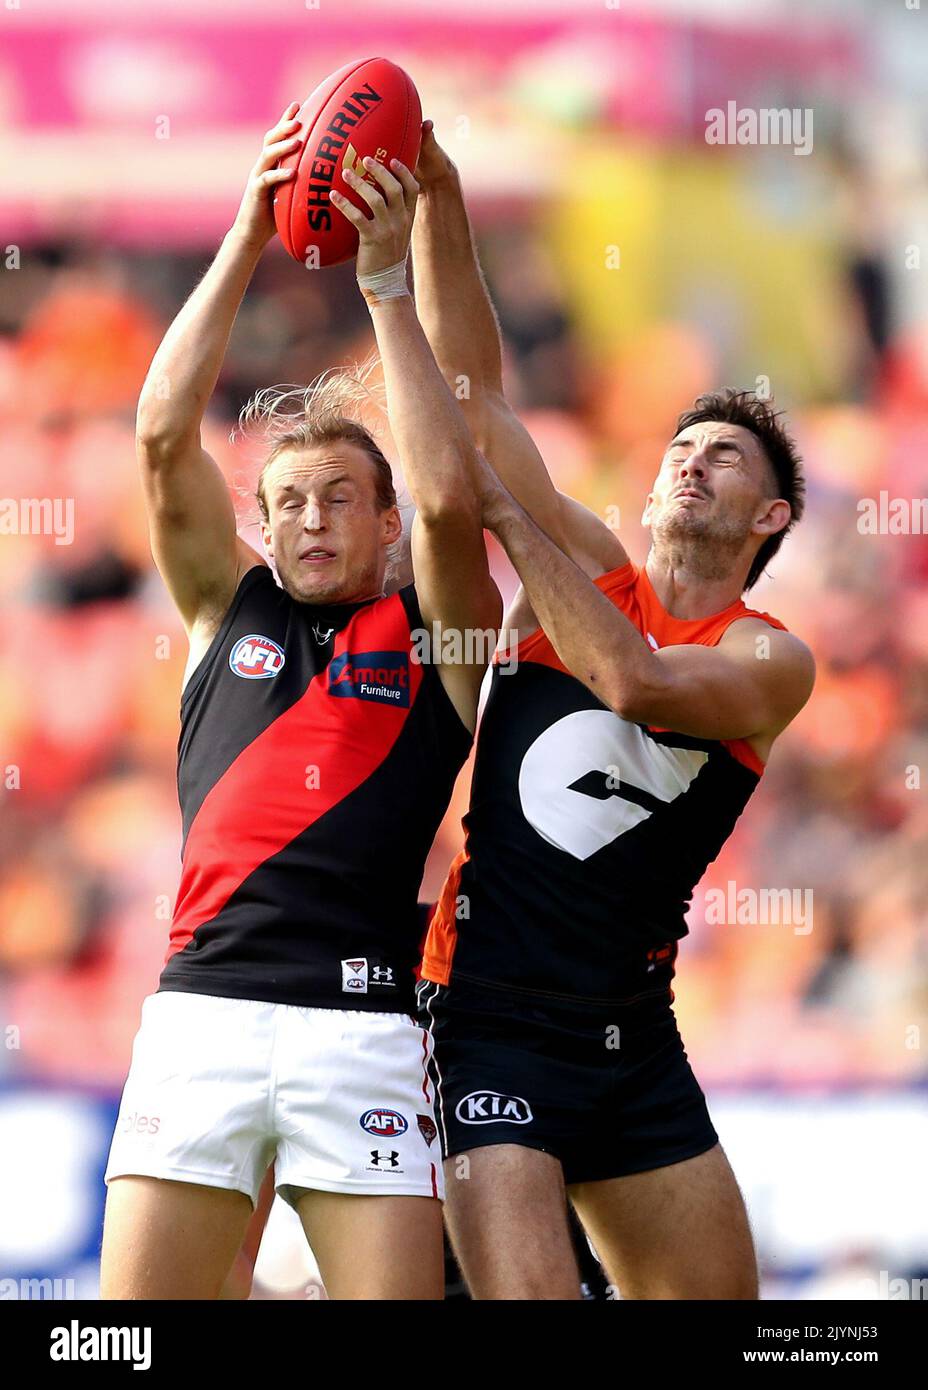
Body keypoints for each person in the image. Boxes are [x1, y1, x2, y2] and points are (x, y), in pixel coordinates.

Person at [101, 105, 500, 1301]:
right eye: (290, 501)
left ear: (383, 523)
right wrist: (243, 229)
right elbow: (163, 433)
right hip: (203, 1015)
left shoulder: (438, 633)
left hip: (361, 1030)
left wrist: (391, 278)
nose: (314, 518)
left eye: (342, 496)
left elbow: (452, 497)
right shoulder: (229, 612)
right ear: (260, 527)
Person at [411, 124, 816, 1300]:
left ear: (772, 519)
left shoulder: (768, 659)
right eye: (680, 447)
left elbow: (634, 683)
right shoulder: (582, 571)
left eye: (726, 458)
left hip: (631, 1031)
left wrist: (509, 518)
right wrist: (441, 200)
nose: (691, 462)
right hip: (484, 1011)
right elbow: (478, 405)